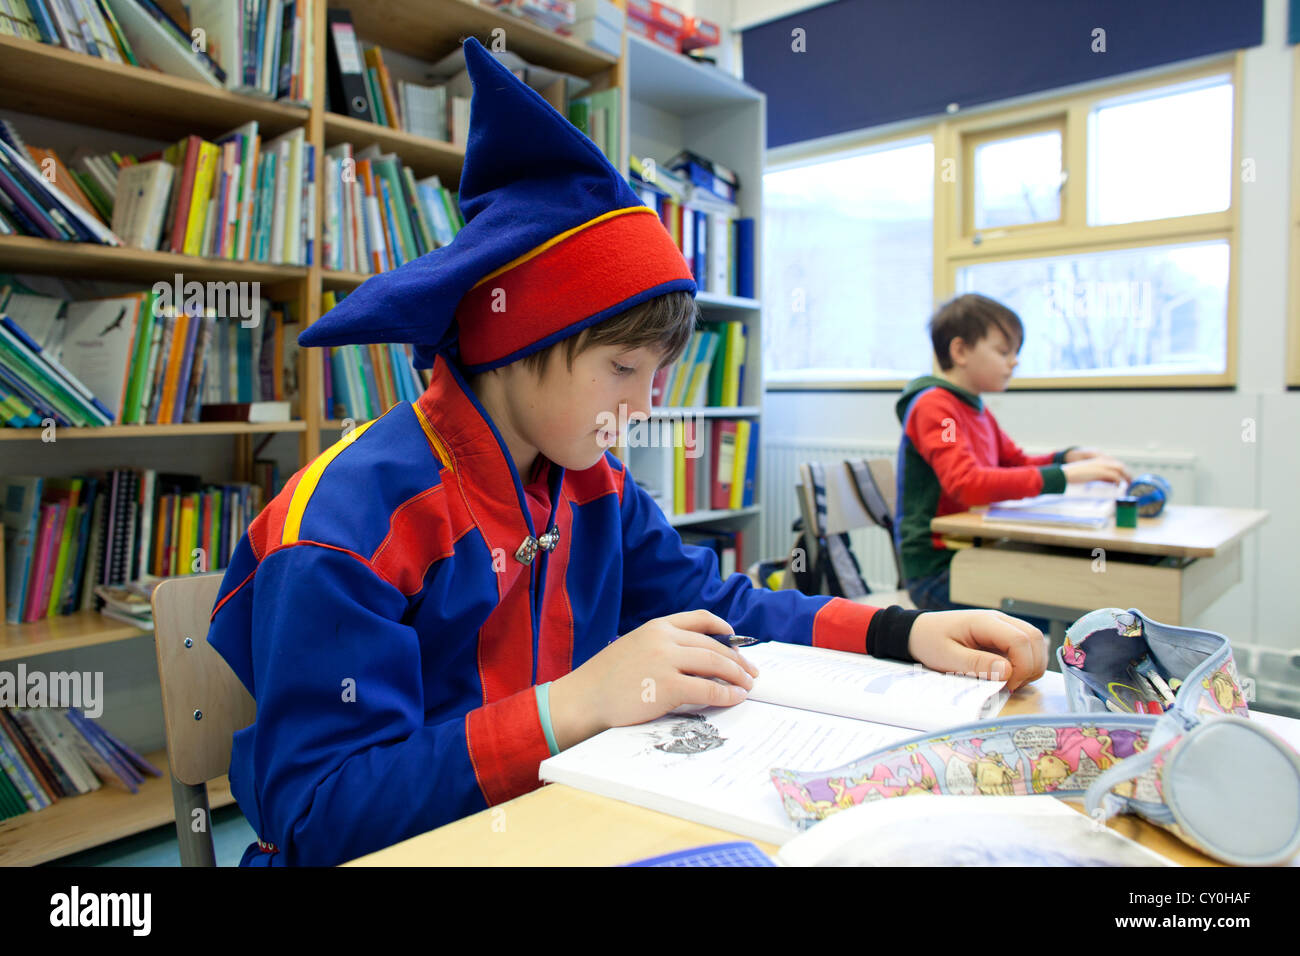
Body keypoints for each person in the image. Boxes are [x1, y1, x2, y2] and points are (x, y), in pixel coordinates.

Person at [206, 40, 1047, 867]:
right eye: (623, 368)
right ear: (514, 338)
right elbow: (318, 818)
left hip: (559, 822)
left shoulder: (590, 479)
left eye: (659, 375)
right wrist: (573, 703)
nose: (647, 407)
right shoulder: (350, 524)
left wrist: (907, 629)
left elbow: (723, 610)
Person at [895, 293, 1132, 615]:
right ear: (960, 350)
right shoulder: (937, 408)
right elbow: (966, 483)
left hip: (973, 553)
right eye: (1003, 351)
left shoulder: (975, 408)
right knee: (1066, 604)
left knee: (1074, 593)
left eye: (1016, 353)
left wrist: (1065, 459)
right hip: (940, 569)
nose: (1014, 361)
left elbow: (1015, 463)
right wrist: (1065, 476)